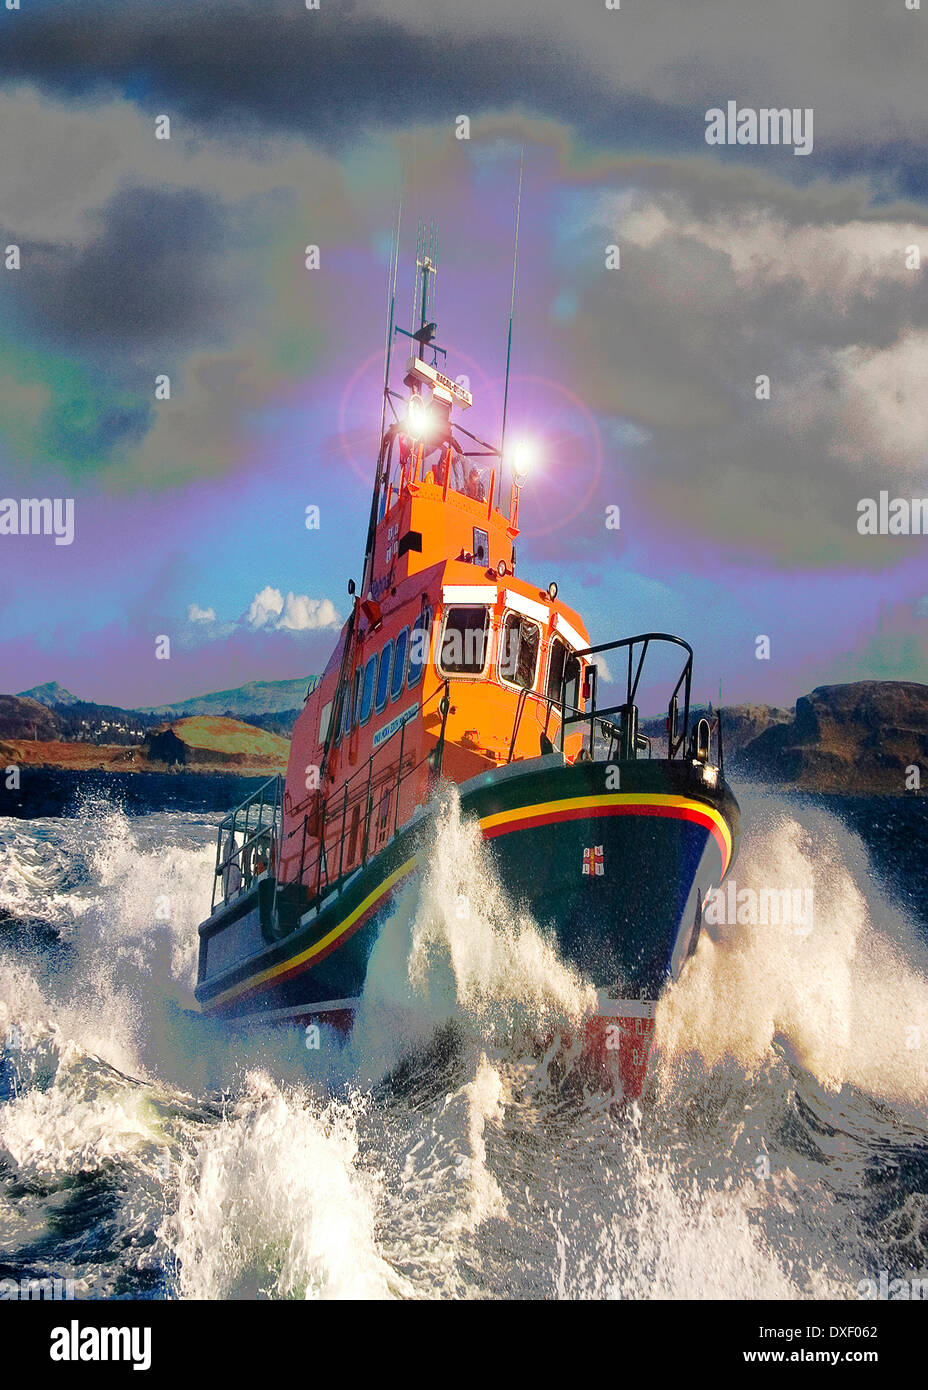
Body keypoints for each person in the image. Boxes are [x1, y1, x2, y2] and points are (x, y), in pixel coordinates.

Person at [219, 833, 242, 898]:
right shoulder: (231, 843)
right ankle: (230, 895)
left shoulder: (231, 843)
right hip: (229, 869)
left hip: (233, 868)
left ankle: (231, 894)